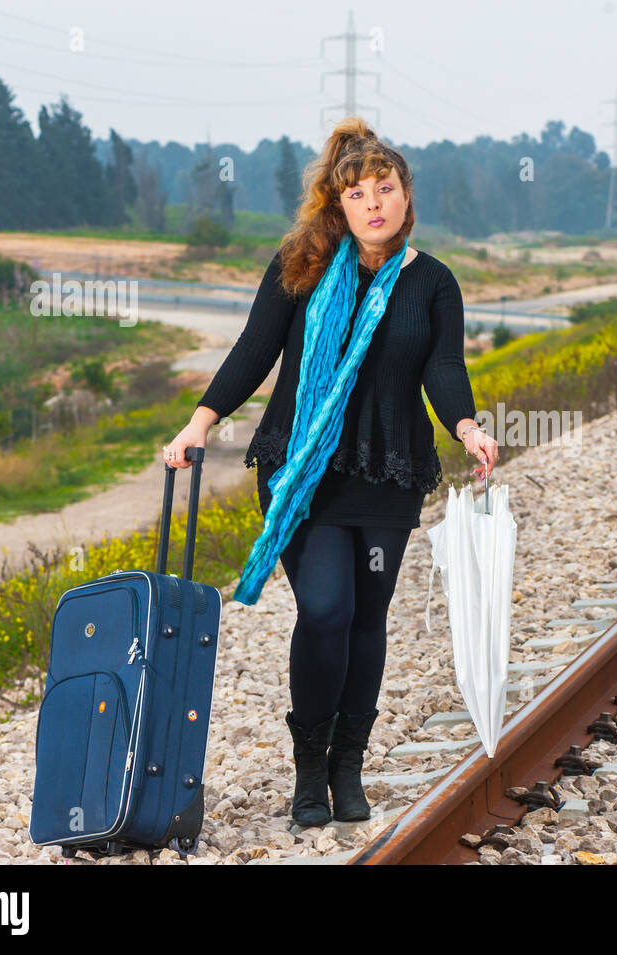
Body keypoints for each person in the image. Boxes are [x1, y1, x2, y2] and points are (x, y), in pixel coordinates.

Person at [161, 117, 499, 829]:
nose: (373, 202)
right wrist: (201, 421)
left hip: (386, 469)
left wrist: (466, 426)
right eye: (358, 193)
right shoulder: (302, 265)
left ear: (407, 197)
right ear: (337, 204)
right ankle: (309, 767)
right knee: (326, 612)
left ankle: (349, 766)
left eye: (386, 188)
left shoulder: (432, 283)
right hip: (302, 469)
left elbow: (444, 368)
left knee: (367, 618)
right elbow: (255, 349)